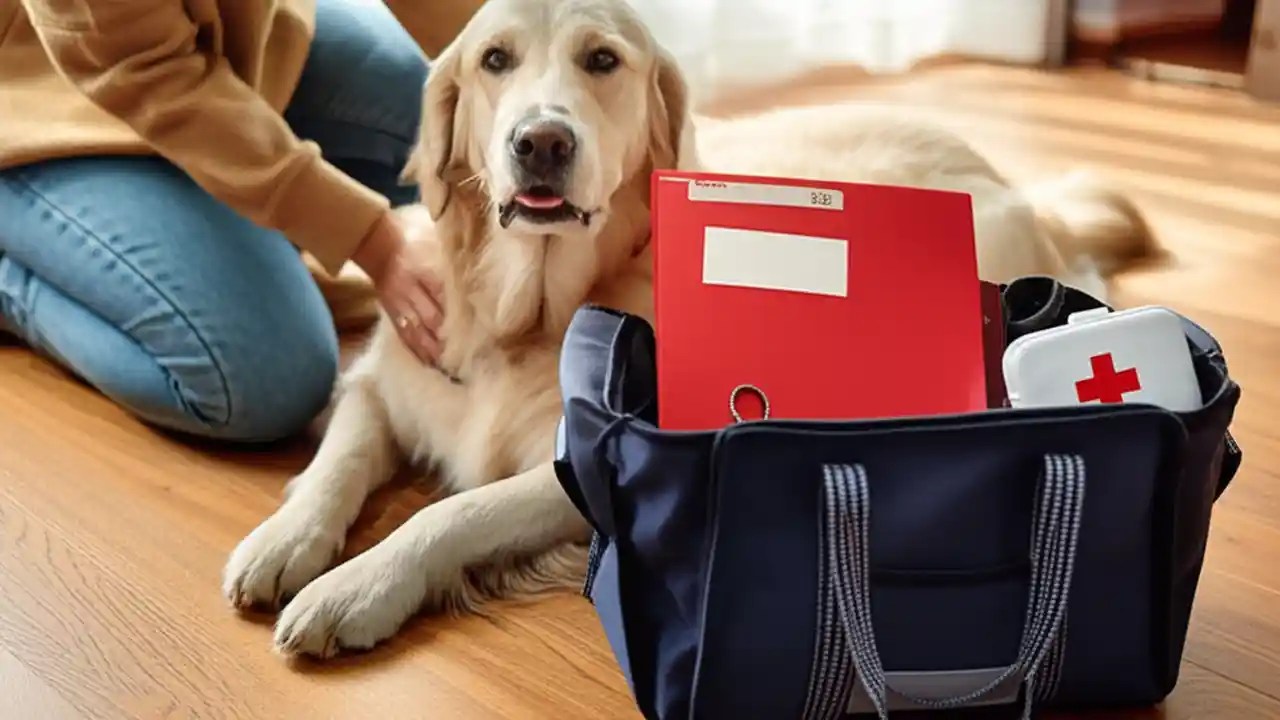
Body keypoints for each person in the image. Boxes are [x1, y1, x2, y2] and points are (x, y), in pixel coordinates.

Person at [0, 0, 448, 443]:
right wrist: (375, 242)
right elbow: (153, 77)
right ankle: (29, 265)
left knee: (447, 113)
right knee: (270, 375)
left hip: (209, 31)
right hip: (35, 87)